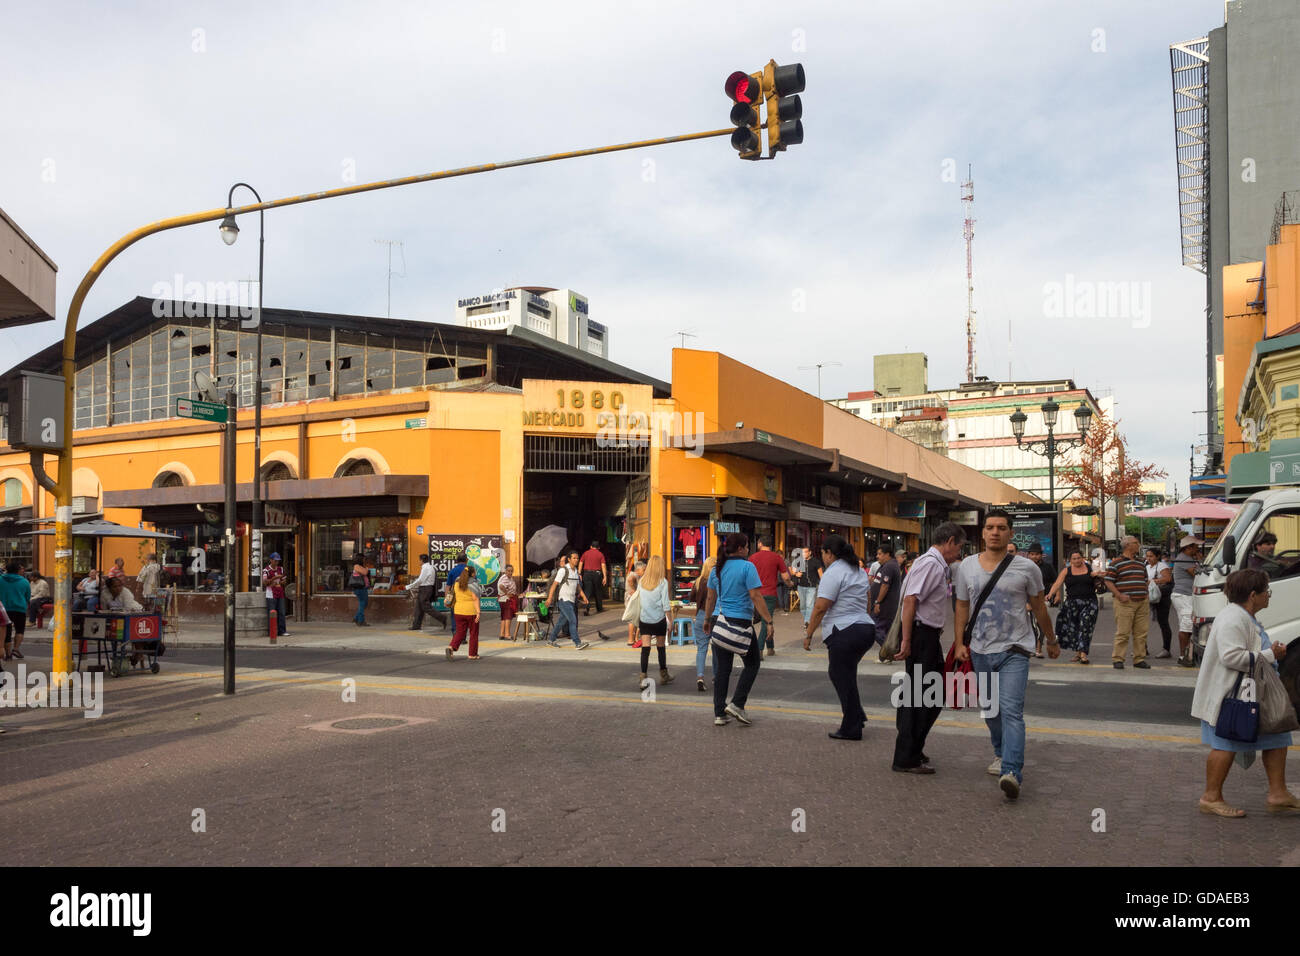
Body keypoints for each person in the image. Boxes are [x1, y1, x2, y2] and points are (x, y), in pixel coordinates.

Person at [954, 510, 1060, 800]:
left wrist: (1051, 639)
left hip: (1016, 648)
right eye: (990, 527)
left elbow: (1039, 607)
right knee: (991, 710)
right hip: (979, 648)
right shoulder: (966, 567)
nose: (995, 532)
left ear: (1011, 533)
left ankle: (1011, 772)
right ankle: (1000, 752)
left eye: (1001, 528)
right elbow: (962, 606)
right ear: (983, 533)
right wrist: (959, 642)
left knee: (1012, 710)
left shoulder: (1027, 568)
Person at [1192, 568, 1298, 817]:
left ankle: (1278, 793)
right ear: (1253, 595)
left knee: (1277, 738)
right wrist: (1272, 655)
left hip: (1251, 694)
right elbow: (1232, 657)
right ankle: (1211, 797)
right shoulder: (1233, 618)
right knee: (1225, 744)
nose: (1268, 596)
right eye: (1266, 592)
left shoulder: (1243, 616)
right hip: (1232, 697)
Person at [893, 523, 967, 770]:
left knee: (925, 695)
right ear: (950, 541)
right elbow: (911, 600)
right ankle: (906, 755)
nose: (959, 552)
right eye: (960, 546)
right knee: (923, 696)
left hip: (927, 635)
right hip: (921, 635)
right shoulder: (930, 564)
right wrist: (907, 639)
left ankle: (913, 747)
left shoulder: (934, 563)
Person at [804, 534, 876, 743]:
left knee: (839, 674)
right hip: (864, 628)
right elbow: (868, 598)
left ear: (829, 553)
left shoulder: (833, 572)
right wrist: (865, 616)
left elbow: (820, 607)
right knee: (845, 674)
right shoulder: (858, 570)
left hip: (844, 630)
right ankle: (857, 715)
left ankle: (852, 727)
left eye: (823, 554)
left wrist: (808, 634)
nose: (823, 558)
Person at [703, 533, 772, 727]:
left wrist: (707, 619)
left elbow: (710, 597)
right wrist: (769, 620)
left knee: (722, 670)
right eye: (747, 546)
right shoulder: (747, 567)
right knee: (752, 664)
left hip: (720, 621)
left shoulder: (718, 568)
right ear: (741, 548)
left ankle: (719, 714)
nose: (749, 550)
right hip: (740, 622)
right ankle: (737, 703)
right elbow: (756, 596)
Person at [1105, 535, 1151, 669]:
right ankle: (1118, 658)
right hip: (1125, 602)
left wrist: (1146, 593)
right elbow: (1108, 580)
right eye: (1136, 543)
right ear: (1128, 545)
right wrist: (1119, 595)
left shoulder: (1141, 562)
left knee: (1141, 633)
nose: (1138, 545)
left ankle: (1139, 658)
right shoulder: (1116, 563)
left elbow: (1145, 579)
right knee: (1123, 632)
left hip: (1142, 601)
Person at [1048, 551, 1100, 664]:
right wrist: (1050, 594)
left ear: (1083, 558)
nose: (1077, 560)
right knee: (1075, 629)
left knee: (1085, 626)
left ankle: (1083, 654)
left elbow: (1099, 580)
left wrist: (1098, 576)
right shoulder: (1067, 570)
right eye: (1074, 558)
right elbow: (1057, 583)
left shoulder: (1090, 568)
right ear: (1070, 560)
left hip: (1089, 602)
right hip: (1072, 603)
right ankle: (1078, 652)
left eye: (1078, 558)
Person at [749, 537, 792, 657]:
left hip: (755, 594)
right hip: (770, 594)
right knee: (766, 622)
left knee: (767, 620)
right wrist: (790, 584)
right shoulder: (777, 557)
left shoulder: (752, 558)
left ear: (760, 544)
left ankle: (771, 648)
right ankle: (759, 650)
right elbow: (785, 577)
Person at [636, 555, 675, 687]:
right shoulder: (663, 582)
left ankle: (643, 678)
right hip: (659, 619)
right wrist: (670, 619)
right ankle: (664, 675)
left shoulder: (642, 581)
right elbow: (665, 604)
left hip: (644, 619)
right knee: (661, 648)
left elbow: (638, 600)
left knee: (645, 649)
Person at [546, 552, 591, 650]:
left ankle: (551, 640)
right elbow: (554, 585)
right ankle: (577, 643)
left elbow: (578, 586)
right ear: (569, 559)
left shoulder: (575, 571)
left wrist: (584, 597)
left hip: (571, 600)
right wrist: (549, 598)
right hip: (563, 600)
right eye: (574, 558)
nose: (576, 560)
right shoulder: (563, 570)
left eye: (577, 558)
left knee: (561, 622)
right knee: (573, 620)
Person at [1171, 536, 1203, 667]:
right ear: (1189, 547)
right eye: (1196, 546)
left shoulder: (1187, 558)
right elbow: (1197, 573)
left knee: (1186, 625)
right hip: (1183, 595)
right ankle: (1183, 656)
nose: (1198, 548)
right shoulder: (1184, 559)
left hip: (1184, 595)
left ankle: (1186, 655)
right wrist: (1200, 562)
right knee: (1187, 626)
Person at [691, 555, 717, 692]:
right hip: (715, 616)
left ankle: (700, 677)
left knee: (702, 649)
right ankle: (716, 676)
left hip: (701, 615)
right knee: (717, 649)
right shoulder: (717, 581)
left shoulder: (698, 581)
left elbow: (691, 597)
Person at [446, 568, 482, 660]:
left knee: (460, 632)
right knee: (473, 633)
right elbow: (475, 598)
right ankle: (472, 654)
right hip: (471, 611)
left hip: (458, 611)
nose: (475, 574)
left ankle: (451, 647)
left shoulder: (457, 582)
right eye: (474, 572)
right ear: (472, 574)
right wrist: (478, 612)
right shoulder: (473, 583)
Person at [1, 560, 31, 661]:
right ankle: (16, 649)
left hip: (4, 610)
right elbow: (27, 597)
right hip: (19, 609)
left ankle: (8, 654)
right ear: (17, 570)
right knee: (20, 630)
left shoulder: (0, 580)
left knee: (7, 632)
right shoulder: (24, 582)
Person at [1146, 548, 1174, 658]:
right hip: (1149, 596)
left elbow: (1167, 579)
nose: (1148, 558)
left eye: (1151, 556)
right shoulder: (1147, 567)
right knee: (1142, 623)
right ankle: (1142, 648)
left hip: (1162, 597)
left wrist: (1152, 581)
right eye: (1147, 556)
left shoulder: (1162, 566)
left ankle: (1166, 649)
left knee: (1163, 622)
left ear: (1157, 556)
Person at [870, 546, 902, 634]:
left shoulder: (889, 566)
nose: (877, 556)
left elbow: (885, 586)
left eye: (880, 554)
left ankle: (888, 648)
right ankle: (888, 647)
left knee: (875, 629)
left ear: (887, 554)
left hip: (884, 608)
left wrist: (878, 602)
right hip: (884, 608)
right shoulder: (887, 565)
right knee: (884, 631)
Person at [405, 553, 438, 630]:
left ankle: (442, 618)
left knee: (425, 607)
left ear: (422, 560)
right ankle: (416, 625)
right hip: (426, 588)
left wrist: (409, 586)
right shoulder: (430, 567)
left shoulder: (425, 568)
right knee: (419, 608)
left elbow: (420, 580)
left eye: (419, 560)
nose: (418, 561)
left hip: (425, 589)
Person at [262, 552, 289, 638]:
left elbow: (284, 581)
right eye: (275, 560)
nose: (276, 562)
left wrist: (281, 581)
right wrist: (274, 578)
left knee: (281, 612)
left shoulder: (280, 569)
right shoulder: (266, 570)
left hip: (280, 593)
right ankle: (272, 631)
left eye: (278, 561)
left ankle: (282, 631)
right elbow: (265, 582)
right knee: (272, 613)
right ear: (271, 560)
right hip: (271, 595)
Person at [795, 545, 822, 631]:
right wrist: (796, 574)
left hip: (811, 587)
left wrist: (823, 585)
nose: (803, 554)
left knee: (809, 605)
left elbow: (821, 575)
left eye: (805, 552)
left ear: (810, 552)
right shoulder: (799, 562)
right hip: (801, 586)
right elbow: (792, 570)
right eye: (802, 552)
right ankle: (809, 619)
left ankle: (807, 622)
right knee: (802, 606)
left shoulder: (816, 562)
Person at [579, 541, 607, 615]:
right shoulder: (600, 554)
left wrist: (579, 573)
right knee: (598, 591)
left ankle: (586, 607)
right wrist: (605, 576)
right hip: (597, 574)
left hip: (587, 573)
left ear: (591, 546)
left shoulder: (586, 553)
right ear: (598, 547)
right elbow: (603, 565)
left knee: (587, 591)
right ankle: (599, 608)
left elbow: (581, 562)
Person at [497, 564, 519, 639]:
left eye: (511, 571)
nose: (510, 572)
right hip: (506, 599)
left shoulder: (509, 578)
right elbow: (501, 586)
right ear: (505, 571)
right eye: (508, 571)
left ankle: (502, 634)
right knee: (508, 617)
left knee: (504, 617)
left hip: (503, 599)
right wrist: (507, 593)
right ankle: (507, 634)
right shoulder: (505, 578)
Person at [351, 554, 371, 627]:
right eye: (363, 559)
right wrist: (366, 568)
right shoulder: (356, 566)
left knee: (364, 604)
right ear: (360, 559)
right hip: (359, 588)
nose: (364, 560)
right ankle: (360, 621)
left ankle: (356, 618)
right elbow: (365, 572)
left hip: (363, 587)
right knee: (362, 603)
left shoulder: (360, 566)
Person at [624, 562, 641, 647]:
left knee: (634, 618)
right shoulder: (634, 574)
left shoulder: (632, 573)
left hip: (630, 597)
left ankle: (634, 638)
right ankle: (631, 639)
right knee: (632, 619)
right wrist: (634, 589)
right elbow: (630, 579)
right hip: (631, 598)